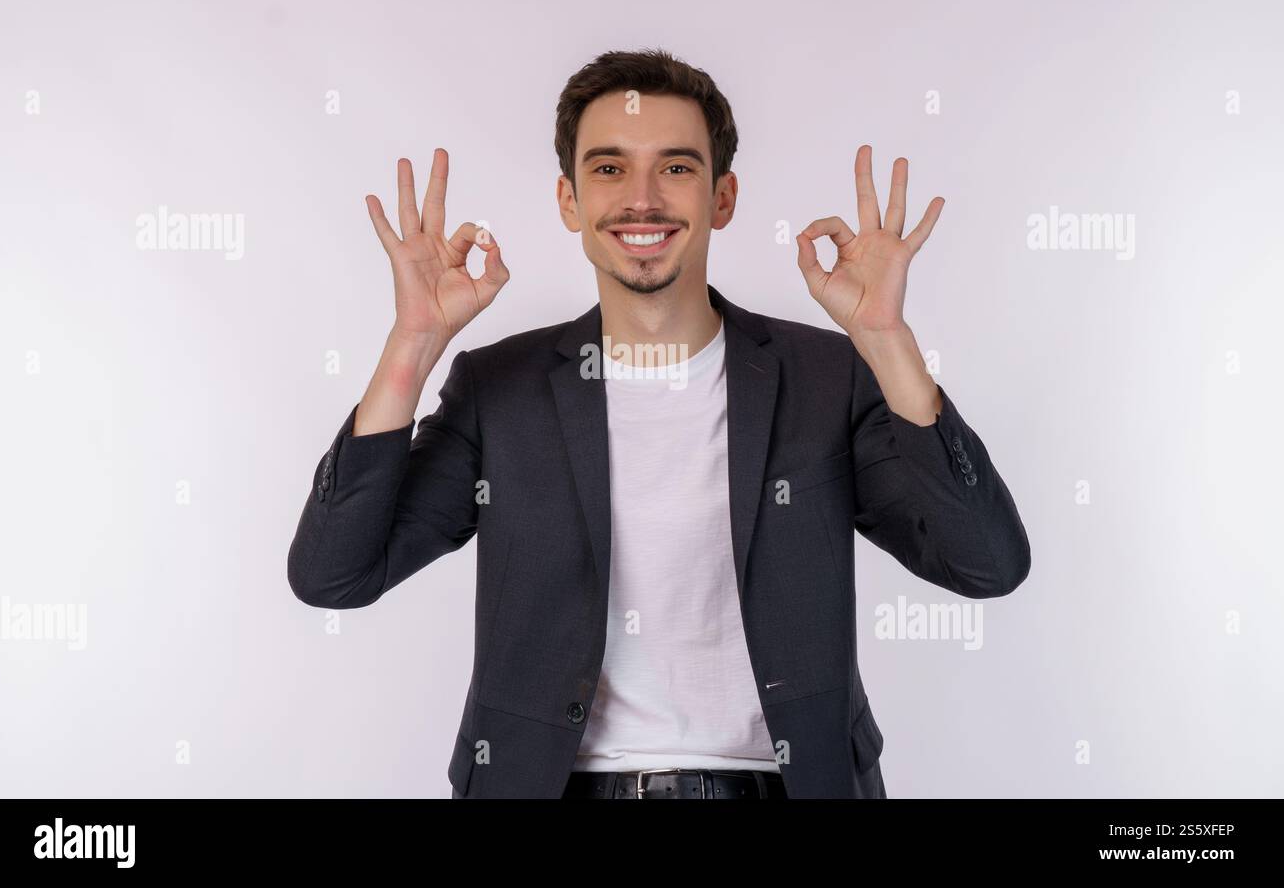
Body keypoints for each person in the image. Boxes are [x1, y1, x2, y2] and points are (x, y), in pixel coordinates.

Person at [287, 48, 1031, 799]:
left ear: (723, 197)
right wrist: (411, 346)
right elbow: (334, 575)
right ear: (570, 201)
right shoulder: (499, 390)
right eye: (608, 169)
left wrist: (889, 346)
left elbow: (986, 565)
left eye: (676, 168)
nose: (641, 200)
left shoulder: (825, 378)